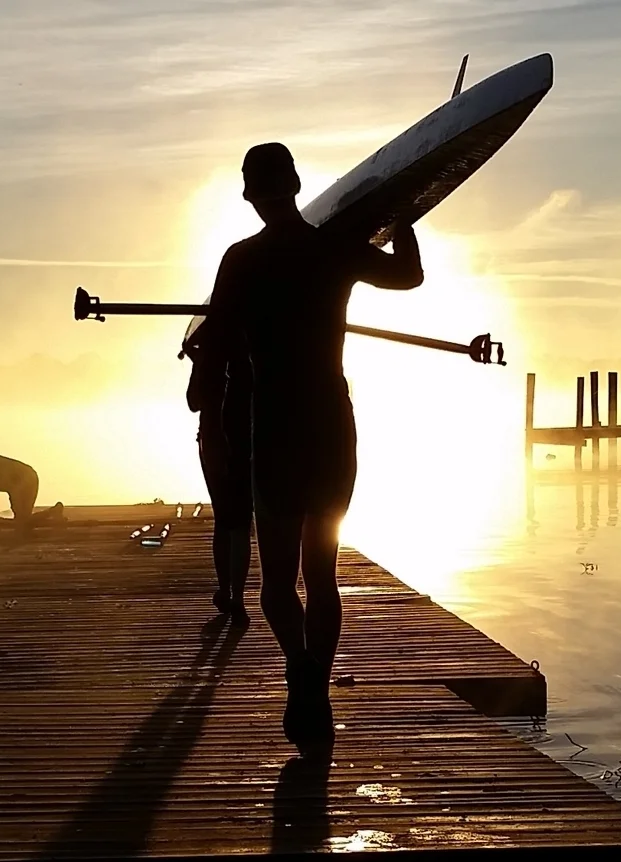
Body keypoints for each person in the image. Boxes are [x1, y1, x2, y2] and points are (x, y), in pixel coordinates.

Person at [206, 142, 422, 755]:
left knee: (276, 585)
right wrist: (405, 218)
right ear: (297, 184)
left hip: (273, 430)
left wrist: (219, 431)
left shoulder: (242, 260)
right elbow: (409, 277)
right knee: (320, 577)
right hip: (331, 426)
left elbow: (216, 345)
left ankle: (299, 667)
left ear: (250, 195)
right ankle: (316, 685)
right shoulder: (333, 247)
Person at [182, 313, 253, 620]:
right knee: (239, 524)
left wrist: (200, 363)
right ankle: (234, 594)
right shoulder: (255, 350)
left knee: (226, 520)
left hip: (215, 442)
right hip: (243, 442)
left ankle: (229, 592)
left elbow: (193, 401)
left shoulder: (210, 350)